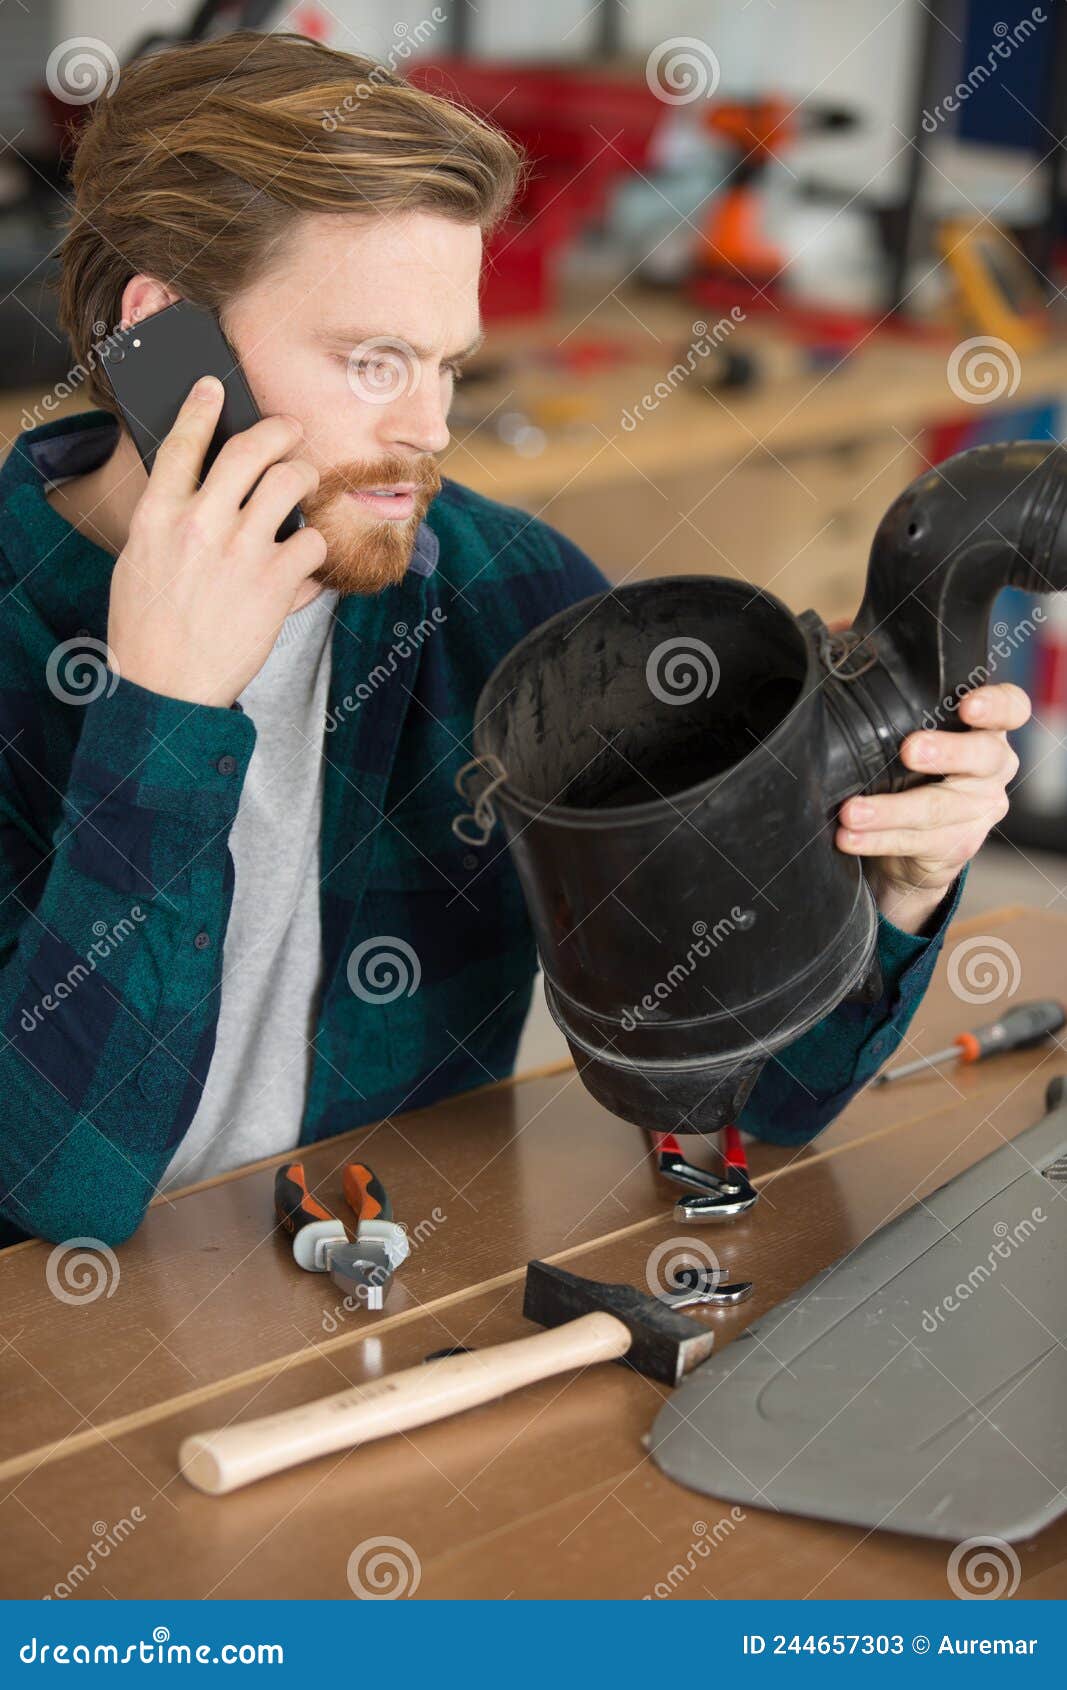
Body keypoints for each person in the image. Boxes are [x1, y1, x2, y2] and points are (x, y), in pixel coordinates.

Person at [0, 32, 1028, 1247]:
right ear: (167, 336)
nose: (429, 427)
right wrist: (163, 716)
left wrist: (890, 895)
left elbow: (749, 1105)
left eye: (445, 365)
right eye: (370, 361)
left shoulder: (503, 596)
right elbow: (55, 1198)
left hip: (371, 1315)